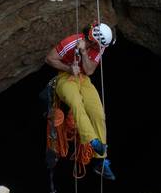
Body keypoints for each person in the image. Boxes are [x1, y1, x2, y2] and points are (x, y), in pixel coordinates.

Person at [46, 22, 116, 179]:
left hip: (83, 79)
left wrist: (84, 53)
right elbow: (49, 58)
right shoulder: (71, 41)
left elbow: (89, 70)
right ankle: (91, 140)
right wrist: (69, 68)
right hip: (65, 78)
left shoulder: (101, 47)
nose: (97, 47)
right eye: (95, 44)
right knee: (77, 103)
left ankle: (100, 162)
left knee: (98, 112)